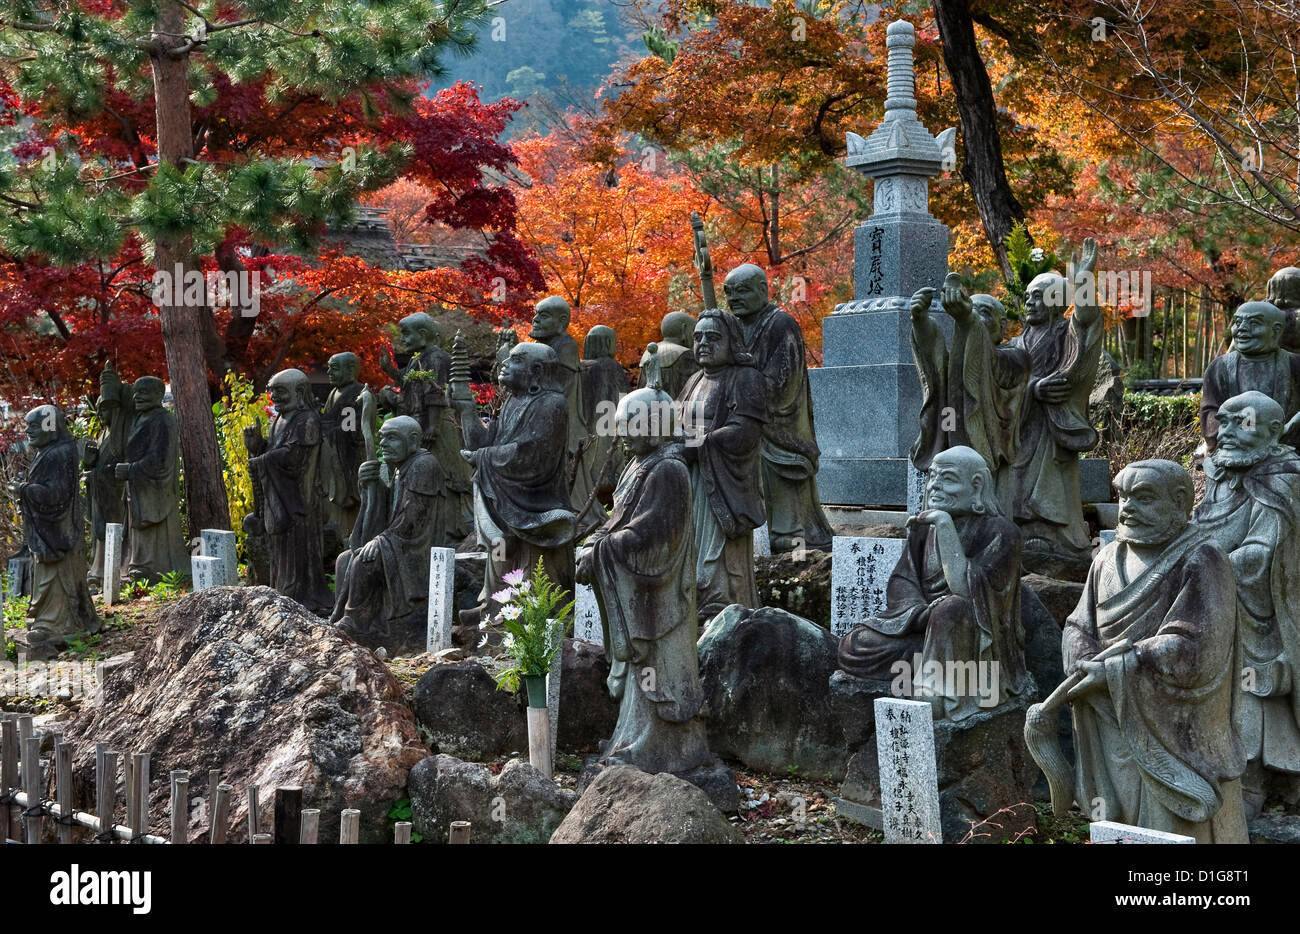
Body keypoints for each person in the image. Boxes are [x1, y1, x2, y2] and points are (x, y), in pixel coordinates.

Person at [1063, 459, 1247, 843]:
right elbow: (1079, 624)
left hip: (1171, 725)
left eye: (1143, 497)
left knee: (1170, 826)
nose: (1128, 507)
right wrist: (1081, 659)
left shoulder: (1204, 558)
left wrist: (1123, 665)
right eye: (1123, 496)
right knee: (1118, 818)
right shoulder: (1105, 560)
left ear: (1180, 501)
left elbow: (1196, 647)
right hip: (1110, 712)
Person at [576, 386, 712, 774]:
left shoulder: (669, 469)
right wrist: (596, 542)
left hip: (660, 593)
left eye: (631, 424)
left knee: (659, 669)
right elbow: (619, 521)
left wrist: (602, 552)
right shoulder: (638, 466)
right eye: (620, 425)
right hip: (639, 590)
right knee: (640, 676)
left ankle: (663, 747)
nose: (622, 434)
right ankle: (632, 734)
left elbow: (653, 535)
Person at [836, 446, 1028, 719]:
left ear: (976, 486)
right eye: (932, 477)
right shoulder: (922, 531)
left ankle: (939, 687)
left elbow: (969, 593)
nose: (934, 486)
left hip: (974, 640)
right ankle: (934, 665)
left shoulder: (1002, 532)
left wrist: (945, 525)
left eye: (947, 478)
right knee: (854, 645)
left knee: (952, 607)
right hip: (924, 629)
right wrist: (920, 614)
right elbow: (903, 582)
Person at [1193, 391, 1300, 817]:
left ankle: (1254, 779)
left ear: (1275, 432)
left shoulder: (1285, 475)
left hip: (1262, 611)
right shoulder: (1221, 472)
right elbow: (1202, 525)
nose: (1227, 433)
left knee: (1251, 687)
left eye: (1244, 423)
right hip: (1208, 598)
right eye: (1224, 421)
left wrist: (1205, 566)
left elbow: (1264, 551)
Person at [453, 342, 576, 631]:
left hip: (536, 501)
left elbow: (533, 455)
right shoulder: (511, 401)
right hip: (508, 498)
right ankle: (494, 608)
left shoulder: (552, 404)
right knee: (500, 554)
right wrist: (467, 409)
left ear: (535, 372)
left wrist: (482, 458)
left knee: (534, 576)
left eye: (515, 360)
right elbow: (487, 443)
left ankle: (528, 624)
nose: (504, 365)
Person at [1003, 239, 1104, 563]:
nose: (1029, 303)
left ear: (1056, 301)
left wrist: (1084, 280)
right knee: (1014, 487)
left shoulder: (1064, 333)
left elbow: (1087, 321)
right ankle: (1020, 536)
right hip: (1019, 428)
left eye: (1038, 297)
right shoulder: (1015, 343)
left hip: (1051, 427)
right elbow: (999, 384)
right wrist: (1032, 389)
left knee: (1049, 488)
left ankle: (1054, 541)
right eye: (1028, 297)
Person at [724, 264, 833, 552]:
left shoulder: (780, 324)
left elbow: (784, 383)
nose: (734, 299)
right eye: (728, 293)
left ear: (763, 290)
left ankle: (793, 544)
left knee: (778, 480)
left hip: (777, 427)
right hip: (741, 422)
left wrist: (745, 377)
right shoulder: (731, 327)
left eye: (743, 291)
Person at [678, 309, 766, 623]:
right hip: (690, 477)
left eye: (713, 337)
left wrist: (699, 445)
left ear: (731, 342)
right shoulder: (693, 380)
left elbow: (745, 432)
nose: (703, 343)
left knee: (712, 563)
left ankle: (723, 614)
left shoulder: (745, 378)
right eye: (698, 337)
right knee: (685, 553)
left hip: (722, 482)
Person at [331, 416, 445, 653]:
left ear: (412, 440)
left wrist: (382, 540)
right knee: (344, 560)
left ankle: (358, 622)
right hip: (399, 540)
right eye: (381, 437)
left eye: (391, 438)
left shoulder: (424, 465)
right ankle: (349, 617)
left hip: (416, 547)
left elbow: (412, 518)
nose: (383, 444)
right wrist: (370, 484)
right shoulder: (401, 468)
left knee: (366, 560)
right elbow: (389, 506)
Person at [910, 275, 1030, 495]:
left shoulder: (1016, 359)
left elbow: (987, 365)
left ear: (1002, 325)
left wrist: (968, 320)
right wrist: (921, 323)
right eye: (971, 310)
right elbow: (942, 378)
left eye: (982, 313)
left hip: (986, 466)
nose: (975, 316)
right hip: (951, 442)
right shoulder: (958, 358)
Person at [10, 406, 99, 659]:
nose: (28, 431)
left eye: (34, 426)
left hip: (58, 531)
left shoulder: (58, 453)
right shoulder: (52, 451)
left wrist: (24, 490)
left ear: (51, 426)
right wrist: (26, 490)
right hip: (49, 530)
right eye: (27, 426)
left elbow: (56, 496)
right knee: (45, 577)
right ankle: (46, 618)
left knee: (56, 578)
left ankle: (56, 624)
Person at [245, 368, 333, 613]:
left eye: (281, 391)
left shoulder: (307, 420)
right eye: (272, 391)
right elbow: (276, 452)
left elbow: (294, 458)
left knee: (297, 554)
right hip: (280, 498)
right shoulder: (280, 420)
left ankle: (303, 595)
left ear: (300, 392)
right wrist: (258, 447)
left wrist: (263, 459)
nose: (275, 397)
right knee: (280, 554)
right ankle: (284, 592)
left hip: (299, 501)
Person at [378, 311, 472, 541]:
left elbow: (435, 393)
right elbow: (409, 382)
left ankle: (450, 527)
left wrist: (434, 425)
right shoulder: (416, 359)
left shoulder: (437, 358)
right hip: (420, 426)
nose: (404, 340)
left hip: (435, 428)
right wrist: (389, 370)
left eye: (407, 334)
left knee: (442, 475)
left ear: (422, 334)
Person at [1200, 301, 1300, 452]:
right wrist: (1236, 434)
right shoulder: (1219, 368)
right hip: (1233, 450)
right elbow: (1210, 413)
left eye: (1254, 323)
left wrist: (1286, 429)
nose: (1242, 329)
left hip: (1287, 451)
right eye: (1238, 322)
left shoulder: (1295, 364)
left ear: (1275, 330)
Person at [115, 377, 187, 583]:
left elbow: (160, 459)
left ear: (158, 395)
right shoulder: (139, 418)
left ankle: (151, 566)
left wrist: (131, 469)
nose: (138, 397)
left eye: (144, 393)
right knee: (134, 526)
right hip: (136, 486)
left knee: (151, 527)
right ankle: (137, 564)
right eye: (136, 392)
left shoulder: (163, 419)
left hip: (154, 486)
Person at [530, 296, 589, 512]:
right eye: (535, 314)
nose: (535, 320)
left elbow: (555, 387)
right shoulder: (538, 345)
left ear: (562, 321)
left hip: (561, 424)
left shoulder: (565, 345)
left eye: (543, 316)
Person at [83, 361, 131, 591]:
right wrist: (90, 465)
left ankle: (110, 571)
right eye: (99, 410)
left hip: (115, 494)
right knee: (99, 535)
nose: (101, 414)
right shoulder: (103, 435)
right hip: (100, 494)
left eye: (105, 409)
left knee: (113, 532)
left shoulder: (121, 432)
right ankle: (97, 569)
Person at [318, 352, 374, 543]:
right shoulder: (334, 393)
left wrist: (324, 428)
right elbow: (330, 422)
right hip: (334, 458)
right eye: (328, 367)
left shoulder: (356, 393)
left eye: (333, 368)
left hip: (349, 458)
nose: (328, 372)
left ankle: (352, 536)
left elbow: (349, 429)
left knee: (352, 498)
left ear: (350, 369)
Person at [637, 311, 699, 399]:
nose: (694, 336)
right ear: (684, 329)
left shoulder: (648, 353)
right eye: (693, 330)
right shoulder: (686, 355)